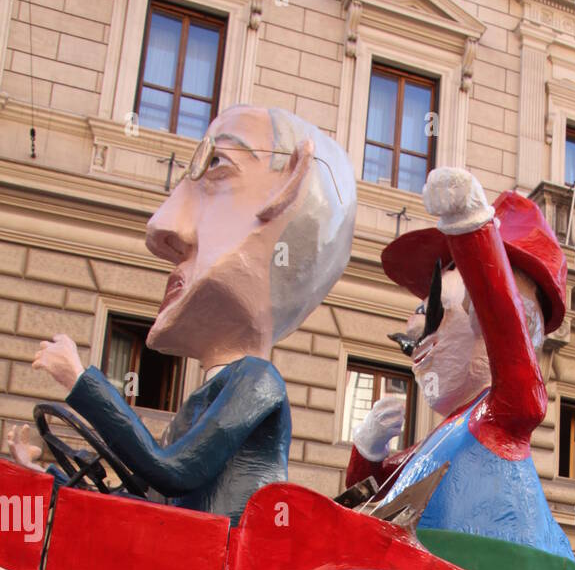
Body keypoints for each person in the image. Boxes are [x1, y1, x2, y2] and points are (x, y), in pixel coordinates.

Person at [6, 105, 356, 524]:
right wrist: (46, 476)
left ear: (288, 191)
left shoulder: (258, 381)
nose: (164, 231)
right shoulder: (203, 399)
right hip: (187, 554)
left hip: (225, 557)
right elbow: (143, 495)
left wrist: (82, 382)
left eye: (216, 165)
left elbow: (172, 471)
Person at [345, 168, 574, 562]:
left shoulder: (507, 410)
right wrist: (367, 449)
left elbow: (504, 323)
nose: (414, 339)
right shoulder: (444, 438)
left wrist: (470, 227)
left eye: (434, 313)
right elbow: (371, 496)